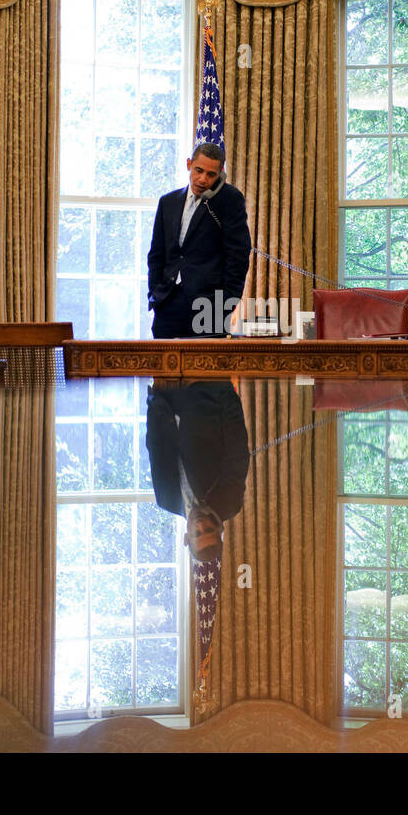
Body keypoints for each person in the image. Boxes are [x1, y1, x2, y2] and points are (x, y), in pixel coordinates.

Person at [146, 143, 251, 338]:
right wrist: (155, 293)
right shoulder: (167, 202)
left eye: (211, 175)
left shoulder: (229, 200)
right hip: (167, 304)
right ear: (189, 164)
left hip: (209, 309)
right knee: (163, 367)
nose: (203, 179)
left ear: (221, 175)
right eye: (199, 170)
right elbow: (156, 254)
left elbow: (238, 257)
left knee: (206, 368)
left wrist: (225, 305)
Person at [144, 379, 250, 561]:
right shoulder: (229, 501)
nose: (200, 525)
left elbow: (154, 446)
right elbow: (236, 443)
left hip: (165, 394)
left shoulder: (166, 500)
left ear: (186, 538)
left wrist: (154, 401)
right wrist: (224, 390)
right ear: (220, 530)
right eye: (208, 530)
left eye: (196, 534)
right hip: (205, 391)